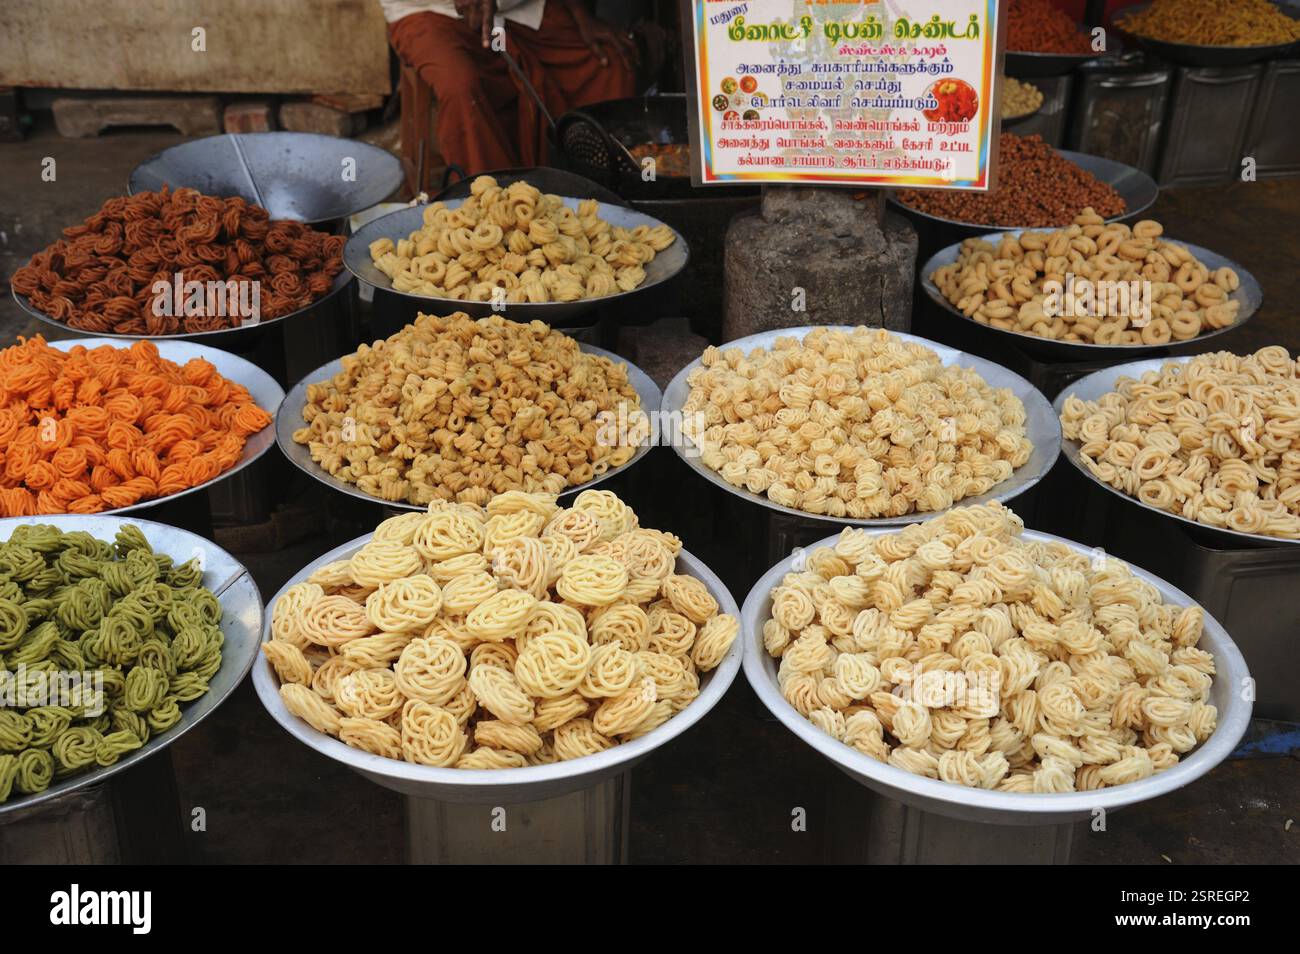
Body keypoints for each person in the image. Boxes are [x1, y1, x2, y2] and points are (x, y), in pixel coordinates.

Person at [382, 0, 637, 173]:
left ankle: (598, 199)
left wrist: (581, 14)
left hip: (521, 9)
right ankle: (490, 213)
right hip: (431, 11)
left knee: (609, 65)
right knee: (461, 86)